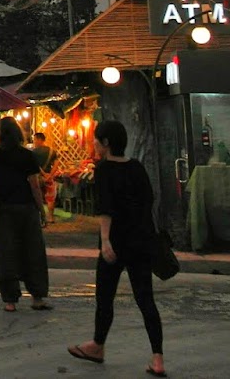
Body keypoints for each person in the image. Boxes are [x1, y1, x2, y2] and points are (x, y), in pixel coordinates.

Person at [69, 120, 165, 377]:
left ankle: (97, 345)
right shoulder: (137, 167)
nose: (94, 143)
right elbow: (148, 201)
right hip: (140, 241)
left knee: (105, 297)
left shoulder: (103, 169)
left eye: (96, 139)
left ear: (106, 143)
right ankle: (157, 358)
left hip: (116, 241)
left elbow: (106, 208)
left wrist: (105, 241)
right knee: (145, 299)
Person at [0, 117, 51, 311]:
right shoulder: (26, 155)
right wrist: (42, 209)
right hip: (26, 207)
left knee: (6, 252)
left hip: (4, 207)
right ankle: (37, 296)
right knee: (33, 251)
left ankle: (10, 299)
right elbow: (34, 184)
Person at [32, 131, 57, 223]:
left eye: (34, 139)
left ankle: (40, 217)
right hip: (49, 178)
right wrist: (49, 175)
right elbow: (56, 164)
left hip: (37, 177)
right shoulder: (52, 151)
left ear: (39, 139)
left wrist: (42, 173)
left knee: (37, 197)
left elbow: (34, 165)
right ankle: (51, 217)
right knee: (50, 198)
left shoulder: (33, 152)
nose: (34, 142)